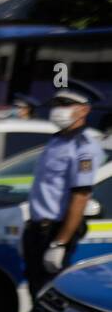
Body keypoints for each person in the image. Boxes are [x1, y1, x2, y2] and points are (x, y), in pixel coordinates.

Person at [21, 86, 104, 294]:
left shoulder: (84, 148)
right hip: (37, 229)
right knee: (35, 289)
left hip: (55, 232)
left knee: (48, 293)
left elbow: (80, 197)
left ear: (84, 110)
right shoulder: (57, 140)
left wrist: (60, 243)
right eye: (56, 104)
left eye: (66, 105)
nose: (58, 110)